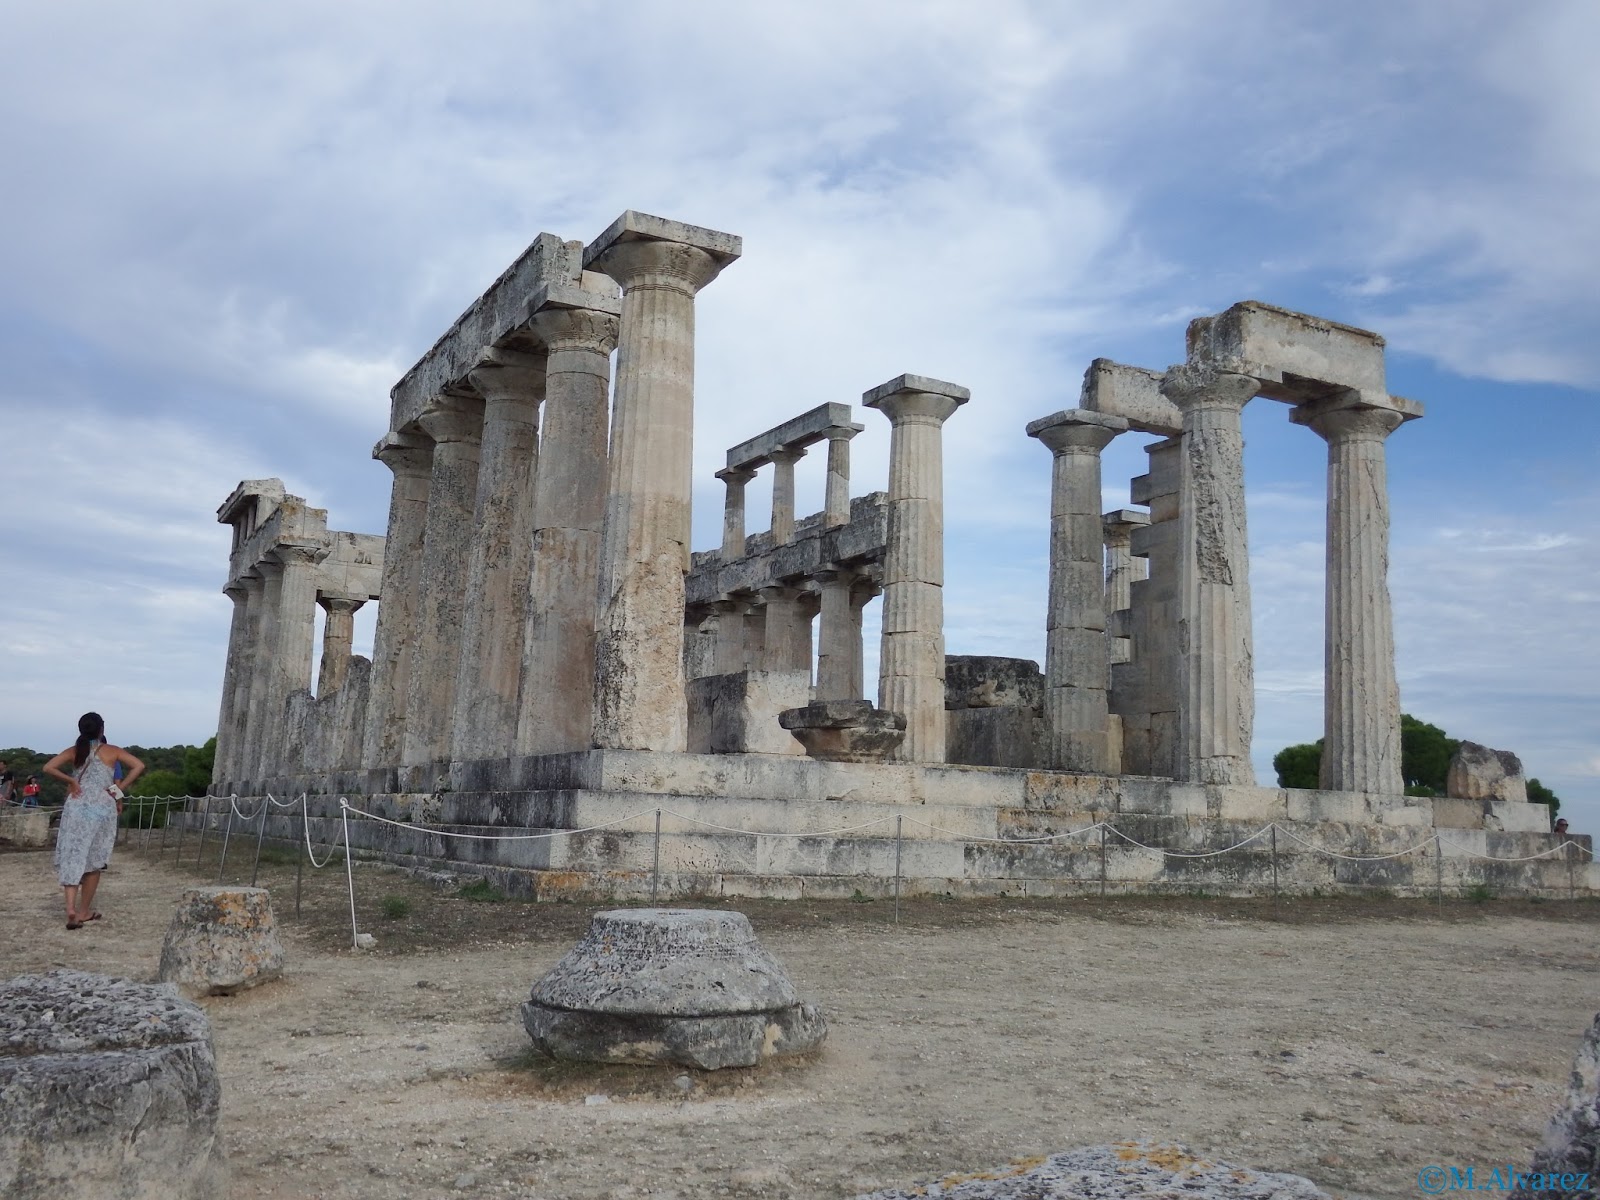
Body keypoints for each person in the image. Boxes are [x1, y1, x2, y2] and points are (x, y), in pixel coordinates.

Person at [42, 713, 144, 929]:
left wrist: (71, 780)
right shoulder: (112, 750)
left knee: (73, 853)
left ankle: (70, 908)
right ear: (101, 729)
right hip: (101, 805)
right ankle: (84, 911)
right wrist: (118, 790)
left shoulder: (74, 751)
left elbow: (48, 767)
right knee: (94, 857)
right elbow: (138, 765)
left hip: (77, 805)